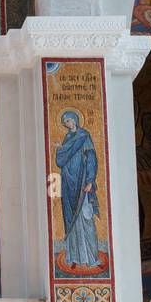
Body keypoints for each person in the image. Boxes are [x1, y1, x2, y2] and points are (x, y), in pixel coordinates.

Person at [55, 109, 101, 271]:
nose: (65, 124)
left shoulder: (84, 136)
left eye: (66, 121)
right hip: (68, 184)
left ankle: (91, 257)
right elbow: (60, 161)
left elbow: (92, 159)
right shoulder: (67, 138)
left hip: (81, 183)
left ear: (73, 120)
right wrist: (60, 149)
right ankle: (74, 256)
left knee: (86, 218)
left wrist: (90, 180)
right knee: (71, 221)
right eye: (63, 122)